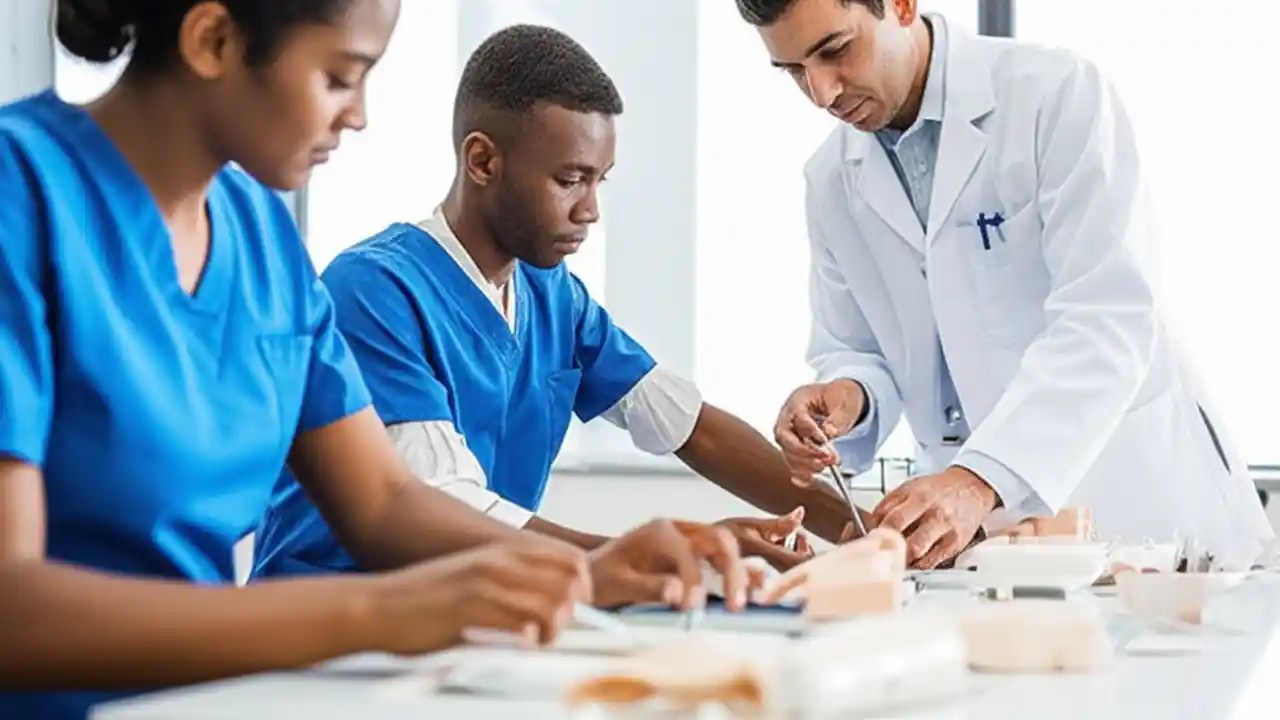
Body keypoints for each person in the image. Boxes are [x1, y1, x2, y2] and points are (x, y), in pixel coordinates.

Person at [0, 3, 750, 717]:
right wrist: (382, 610)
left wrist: (586, 575)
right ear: (213, 41)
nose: (357, 114)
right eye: (338, 76)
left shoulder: (260, 237)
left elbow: (384, 503)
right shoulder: (21, 196)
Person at [253, 24, 871, 584]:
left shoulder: (552, 294)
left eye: (600, 180)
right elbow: (443, 501)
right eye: (570, 180)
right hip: (327, 636)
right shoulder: (375, 290)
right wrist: (632, 560)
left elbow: (688, 426)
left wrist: (851, 524)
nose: (590, 210)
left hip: (467, 615)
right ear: (482, 160)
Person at [735, 0, 1273, 568]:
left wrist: (977, 479)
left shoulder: (1054, 96)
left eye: (836, 51)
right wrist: (849, 397)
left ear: (901, 5)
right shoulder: (829, 180)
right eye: (794, 71)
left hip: (1135, 503)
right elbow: (857, 350)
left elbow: (1106, 318)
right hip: (984, 538)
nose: (822, 93)